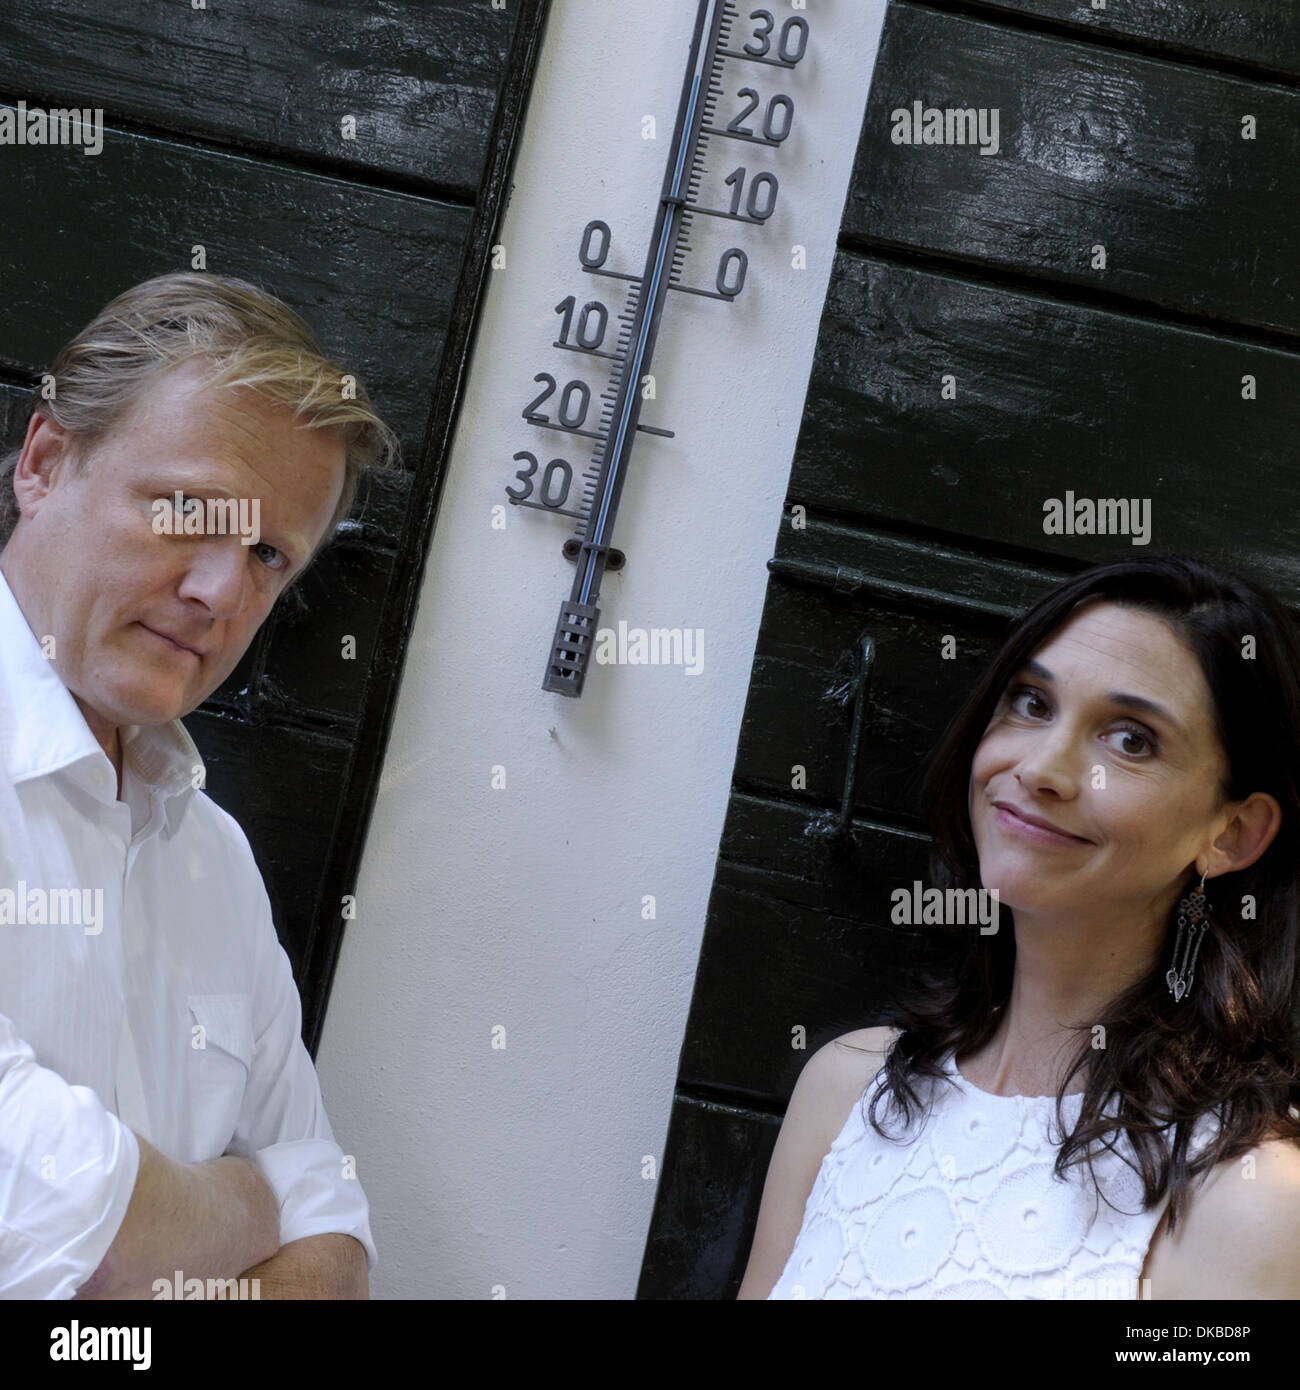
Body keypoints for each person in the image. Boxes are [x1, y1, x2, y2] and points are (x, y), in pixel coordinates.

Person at [738, 556, 1300, 1299]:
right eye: (1032, 703)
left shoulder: (1251, 1198)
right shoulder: (848, 1089)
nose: (1043, 767)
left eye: (1130, 739)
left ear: (1230, 834)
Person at [0, 272, 399, 1299]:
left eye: (268, 552)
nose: (219, 592)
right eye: (187, 507)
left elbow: (338, 1250)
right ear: (46, 462)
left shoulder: (213, 860)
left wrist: (170, 1223)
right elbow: (68, 1230)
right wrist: (247, 1199)